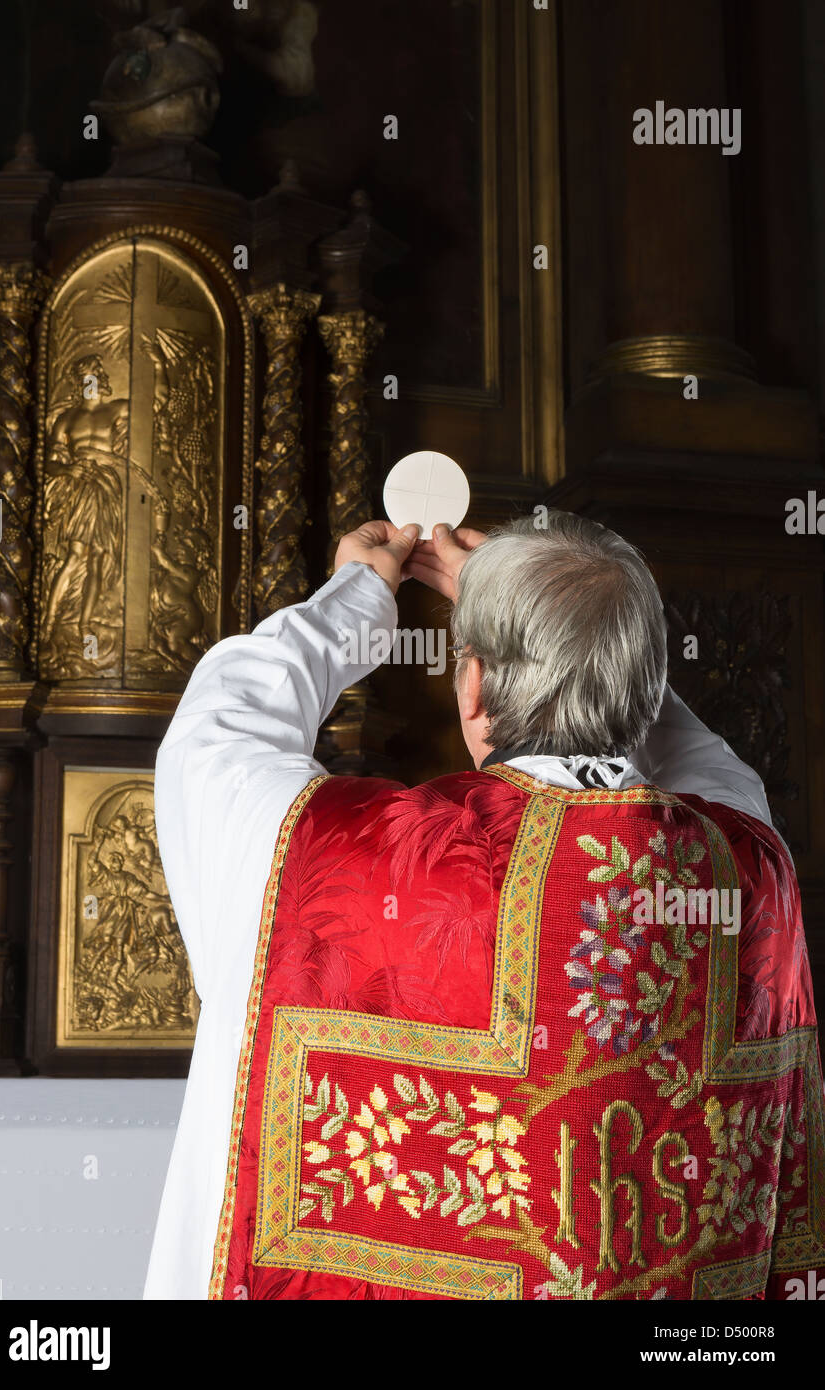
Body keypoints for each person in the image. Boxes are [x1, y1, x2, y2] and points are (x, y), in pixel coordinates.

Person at [145, 511, 824, 1301]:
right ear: (641, 689)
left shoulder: (338, 857)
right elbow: (701, 758)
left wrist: (358, 597)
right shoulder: (745, 868)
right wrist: (577, 634)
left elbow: (217, 733)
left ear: (472, 688)